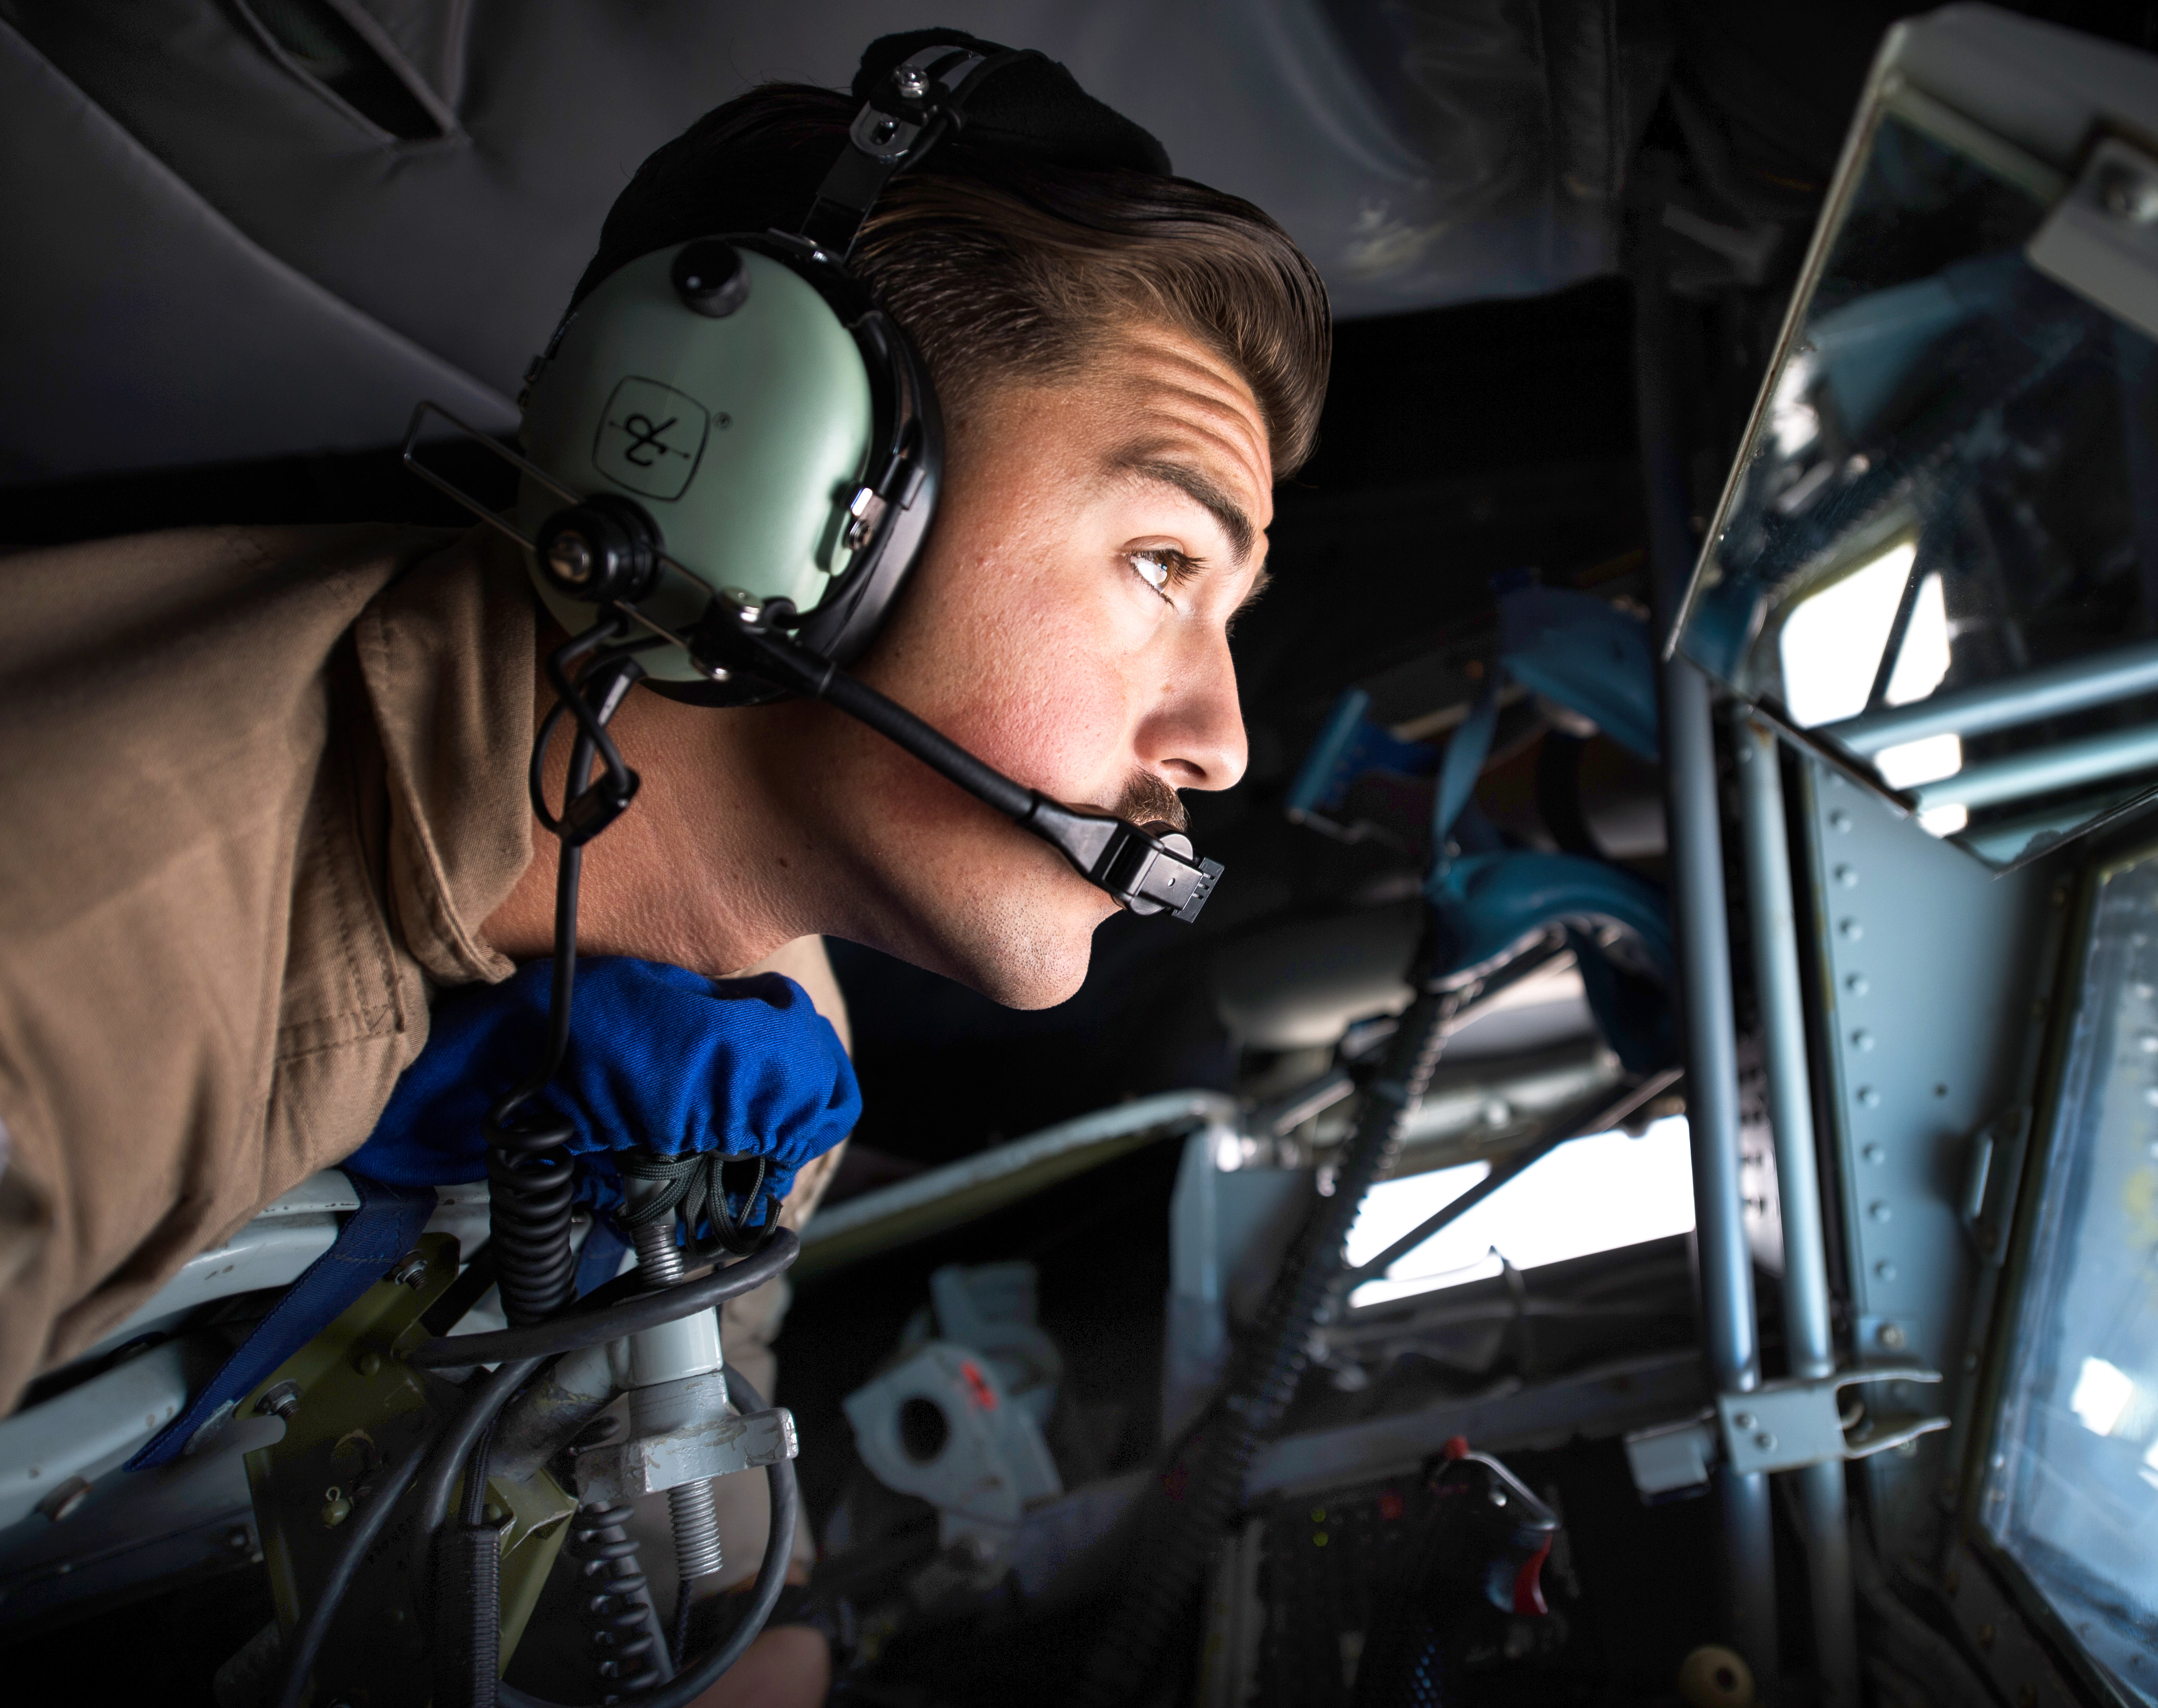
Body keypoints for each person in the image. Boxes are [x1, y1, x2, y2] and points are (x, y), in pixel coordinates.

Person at [0, 29, 1328, 1703]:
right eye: (1159, 561)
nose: (1223, 741)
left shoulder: (770, 1029)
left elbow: (693, 1376)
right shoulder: (85, 966)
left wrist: (747, 1624)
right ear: (778, 490)